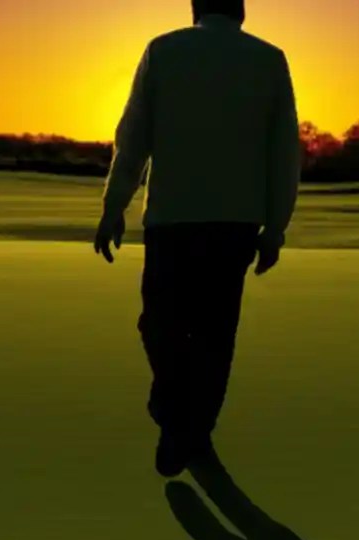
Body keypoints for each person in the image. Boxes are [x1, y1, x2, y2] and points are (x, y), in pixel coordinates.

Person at [93, 0, 301, 477]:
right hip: (235, 224)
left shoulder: (164, 51)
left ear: (195, 10)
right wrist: (276, 227)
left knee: (159, 323)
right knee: (214, 334)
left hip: (172, 220)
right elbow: (284, 152)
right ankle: (192, 426)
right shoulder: (269, 59)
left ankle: (177, 418)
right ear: (241, 12)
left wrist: (113, 206)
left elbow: (133, 138)